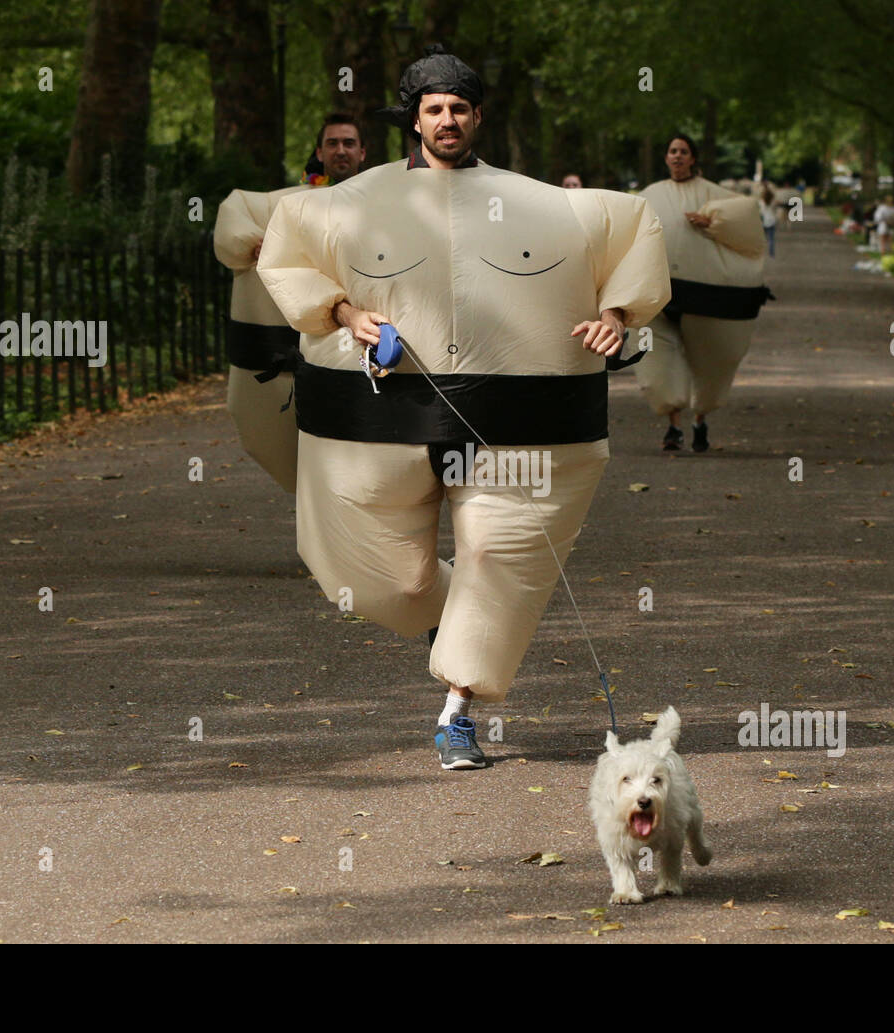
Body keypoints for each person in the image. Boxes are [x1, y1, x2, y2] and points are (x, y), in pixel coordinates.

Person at [256, 47, 668, 770]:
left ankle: (459, 710)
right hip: (381, 423)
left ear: (477, 117)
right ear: (413, 119)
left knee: (496, 553)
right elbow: (286, 249)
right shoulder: (349, 203)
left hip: (520, 428)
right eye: (435, 109)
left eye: (459, 108)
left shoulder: (542, 203)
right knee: (393, 583)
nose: (448, 120)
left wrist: (615, 310)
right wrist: (344, 310)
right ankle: (461, 614)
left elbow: (631, 229)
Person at [212, 115, 367, 491]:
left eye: (348, 143)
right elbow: (234, 212)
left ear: (363, 152)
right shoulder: (290, 203)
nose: (340, 150)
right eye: (332, 143)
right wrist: (253, 242)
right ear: (319, 153)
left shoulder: (382, 200)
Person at [633, 134, 772, 452]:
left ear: (693, 158)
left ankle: (699, 421)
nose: (677, 156)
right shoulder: (649, 195)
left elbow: (748, 224)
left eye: (683, 151)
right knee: (660, 357)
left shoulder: (715, 194)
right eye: (672, 151)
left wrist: (714, 222)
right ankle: (674, 428)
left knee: (706, 362)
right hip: (659, 292)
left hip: (706, 296)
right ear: (666, 157)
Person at [759, 182, 777, 258]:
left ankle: (761, 252)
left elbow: (760, 212)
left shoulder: (761, 202)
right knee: (771, 238)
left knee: (763, 238)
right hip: (772, 221)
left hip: (763, 221)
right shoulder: (773, 202)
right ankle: (771, 252)